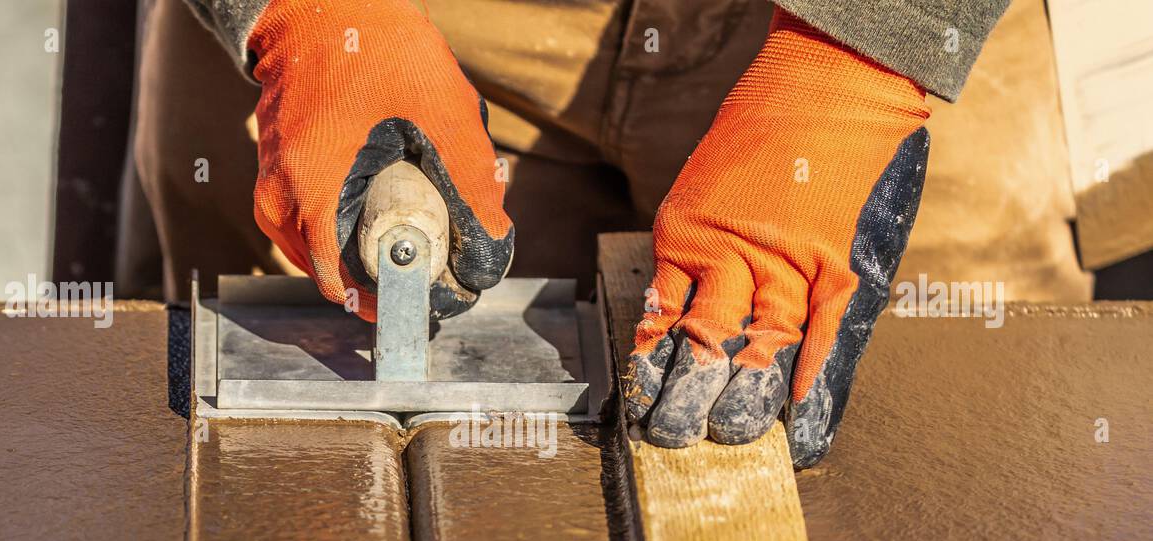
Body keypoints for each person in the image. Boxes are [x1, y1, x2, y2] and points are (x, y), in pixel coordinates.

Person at [160, 0, 1009, 465]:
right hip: (413, 25)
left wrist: (861, 57)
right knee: (228, 479)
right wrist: (311, 16)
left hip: (875, 47)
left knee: (925, 459)